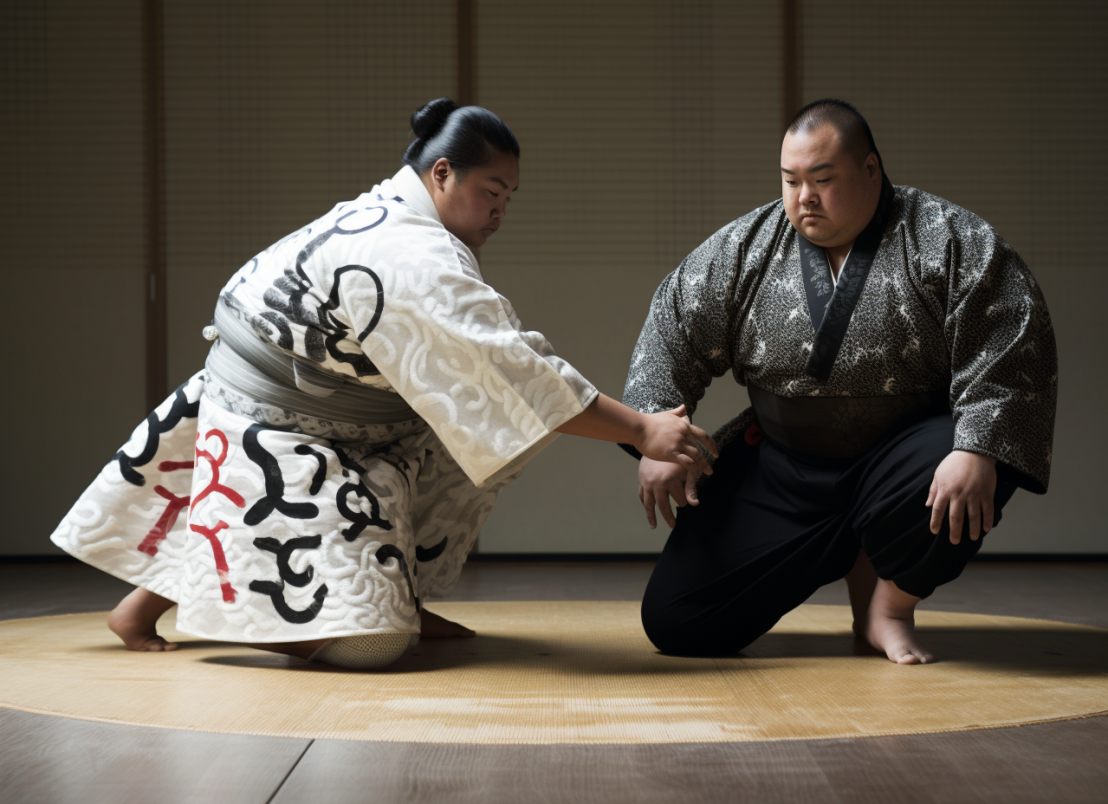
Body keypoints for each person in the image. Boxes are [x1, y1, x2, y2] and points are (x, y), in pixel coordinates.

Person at [51, 97, 717, 670]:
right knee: (374, 649)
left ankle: (165, 606)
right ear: (442, 172)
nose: (500, 210)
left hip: (332, 419)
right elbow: (509, 366)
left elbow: (492, 373)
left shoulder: (396, 216)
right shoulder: (407, 250)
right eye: (492, 191)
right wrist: (640, 428)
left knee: (478, 434)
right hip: (278, 429)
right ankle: (269, 620)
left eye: (510, 197)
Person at [623, 98, 1056, 665]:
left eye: (823, 179)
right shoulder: (743, 249)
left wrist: (978, 447)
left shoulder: (948, 238)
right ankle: (845, 544)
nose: (805, 197)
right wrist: (655, 432)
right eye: (792, 180)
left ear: (871, 169)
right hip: (784, 467)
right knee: (676, 622)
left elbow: (1011, 341)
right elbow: (670, 334)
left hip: (905, 461)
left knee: (977, 451)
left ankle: (890, 607)